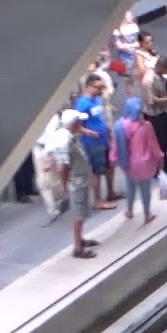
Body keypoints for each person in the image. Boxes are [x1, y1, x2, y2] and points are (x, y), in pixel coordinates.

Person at [48, 109, 100, 259]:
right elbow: (61, 167)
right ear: (73, 123)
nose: (81, 124)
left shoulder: (67, 133)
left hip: (81, 179)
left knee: (82, 211)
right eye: (79, 121)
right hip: (76, 182)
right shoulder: (65, 141)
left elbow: (76, 129)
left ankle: (81, 239)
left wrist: (87, 132)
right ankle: (78, 248)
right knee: (78, 213)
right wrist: (64, 187)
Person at [111, 97, 164, 225]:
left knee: (130, 187)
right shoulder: (146, 126)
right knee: (145, 189)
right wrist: (160, 159)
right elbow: (154, 146)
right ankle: (147, 214)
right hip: (145, 164)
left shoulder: (120, 126)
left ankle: (129, 210)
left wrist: (113, 159)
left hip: (128, 163)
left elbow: (115, 146)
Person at [74, 74, 119, 210]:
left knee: (110, 165)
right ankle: (98, 200)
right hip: (92, 142)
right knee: (97, 171)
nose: (100, 90)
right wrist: (88, 132)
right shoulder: (83, 104)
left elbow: (100, 117)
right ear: (88, 87)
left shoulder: (97, 100)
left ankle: (111, 192)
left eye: (101, 87)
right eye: (97, 87)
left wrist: (108, 132)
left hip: (103, 137)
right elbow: (77, 126)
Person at [142, 56, 167, 174]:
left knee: (164, 141)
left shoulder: (161, 77)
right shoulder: (149, 80)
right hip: (153, 116)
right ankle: (157, 169)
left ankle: (165, 163)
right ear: (161, 67)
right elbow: (151, 101)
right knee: (156, 143)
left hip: (162, 112)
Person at [112, 11, 141, 95]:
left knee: (136, 77)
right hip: (125, 57)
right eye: (129, 15)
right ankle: (131, 97)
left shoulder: (134, 27)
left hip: (135, 55)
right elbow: (119, 46)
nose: (132, 16)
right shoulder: (117, 30)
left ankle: (134, 96)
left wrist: (130, 45)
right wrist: (132, 45)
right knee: (128, 79)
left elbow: (138, 41)